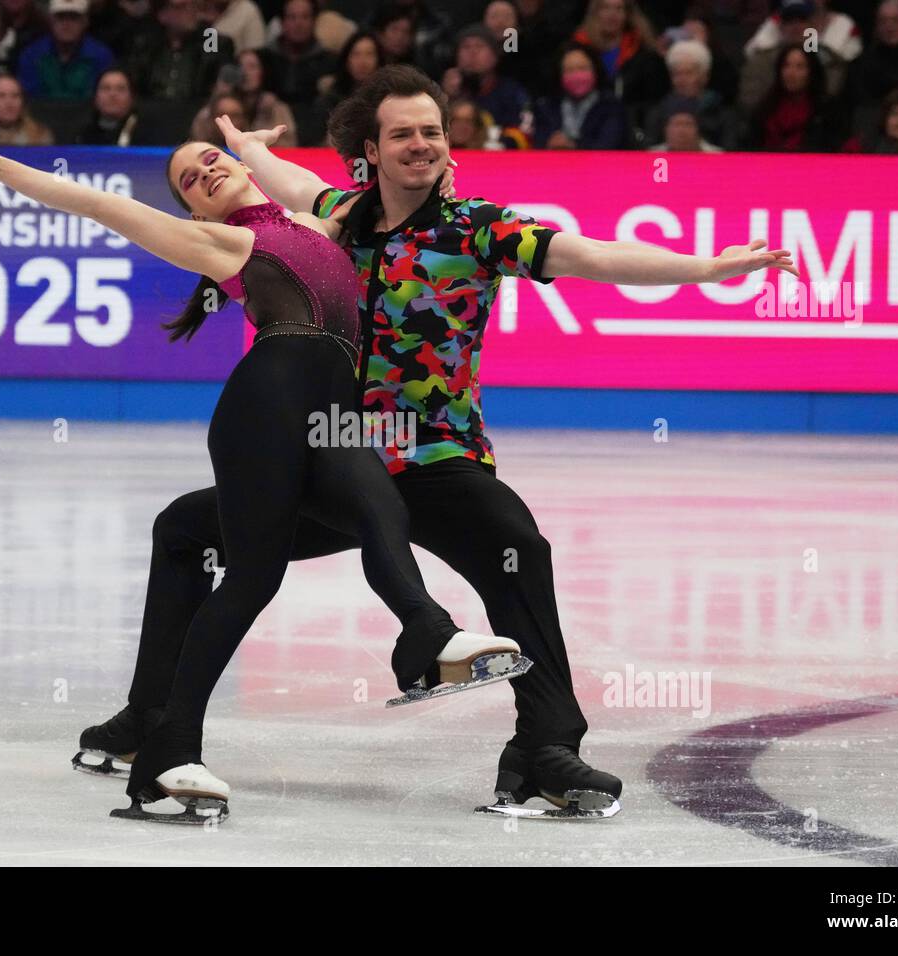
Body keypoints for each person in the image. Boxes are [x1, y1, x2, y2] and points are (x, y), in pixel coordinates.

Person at [80, 65, 796, 821]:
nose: (421, 144)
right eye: (402, 134)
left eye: (431, 131)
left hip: (436, 458)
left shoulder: (481, 229)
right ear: (372, 150)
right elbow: (288, 186)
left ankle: (543, 750)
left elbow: (592, 255)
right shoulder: (341, 218)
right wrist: (245, 149)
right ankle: (150, 722)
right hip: (336, 457)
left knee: (519, 549)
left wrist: (707, 269)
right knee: (186, 530)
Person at [0, 142, 525, 824]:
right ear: (195, 205)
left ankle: (426, 640)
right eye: (188, 180)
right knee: (252, 578)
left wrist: (426, 168)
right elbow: (98, 204)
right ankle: (167, 758)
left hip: (332, 414)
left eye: (209, 158)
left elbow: (388, 198)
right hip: (262, 412)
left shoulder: (318, 226)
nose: (204, 170)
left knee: (383, 508)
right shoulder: (226, 242)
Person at [15, 0, 112, 100]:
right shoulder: (31, 55)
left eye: (74, 18)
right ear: (51, 21)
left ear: (85, 22)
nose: (66, 24)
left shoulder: (101, 56)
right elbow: (29, 100)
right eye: (60, 18)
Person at [77, 67, 150, 146]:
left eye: (120, 89)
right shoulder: (81, 135)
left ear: (132, 98)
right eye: (105, 88)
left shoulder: (149, 134)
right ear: (95, 97)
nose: (112, 94)